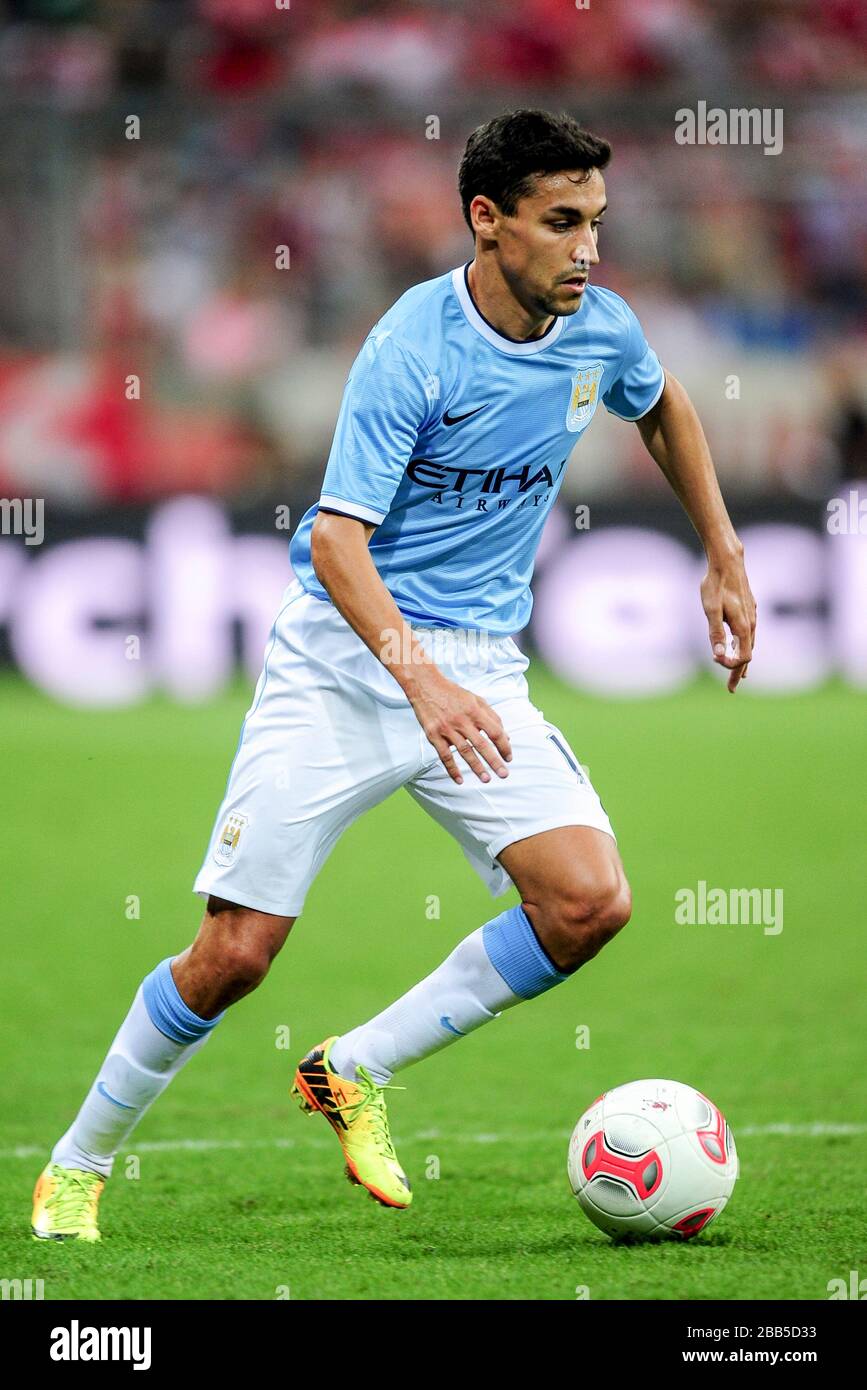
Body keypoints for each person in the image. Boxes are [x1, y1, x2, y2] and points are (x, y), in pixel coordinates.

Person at [32, 109, 756, 1237]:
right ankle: (76, 1165)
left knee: (586, 901)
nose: (589, 250)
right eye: (563, 223)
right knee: (236, 955)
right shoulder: (412, 345)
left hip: (474, 666)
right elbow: (335, 540)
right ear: (488, 218)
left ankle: (352, 1068)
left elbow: (660, 404)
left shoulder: (600, 329)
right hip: (342, 658)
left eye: (598, 224)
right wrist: (420, 682)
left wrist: (724, 548)